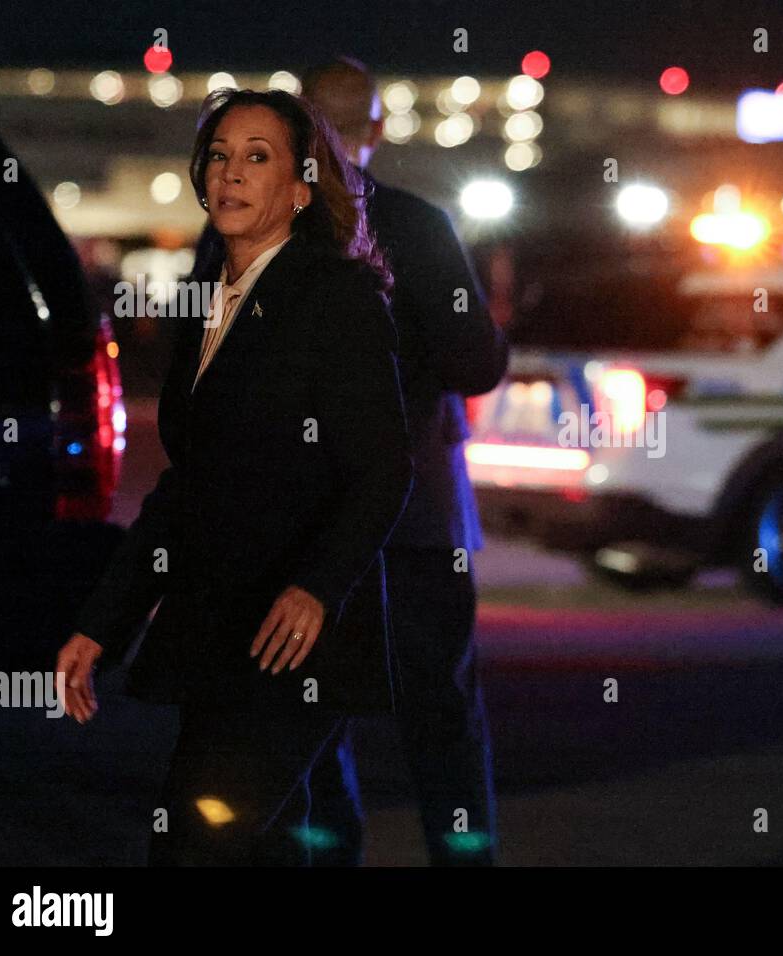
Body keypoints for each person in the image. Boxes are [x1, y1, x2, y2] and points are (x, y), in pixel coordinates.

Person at [55, 88, 413, 866]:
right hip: (216, 630)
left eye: (258, 157)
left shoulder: (335, 295)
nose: (231, 173)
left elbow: (383, 468)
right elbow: (185, 487)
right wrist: (101, 622)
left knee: (197, 842)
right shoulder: (209, 295)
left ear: (301, 185)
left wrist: (319, 585)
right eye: (219, 155)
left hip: (293, 641)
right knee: (264, 849)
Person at [299, 57, 509, 866]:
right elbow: (474, 362)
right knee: (443, 715)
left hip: (307, 521)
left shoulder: (249, 224)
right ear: (376, 129)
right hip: (421, 518)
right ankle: (462, 857)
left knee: (311, 713)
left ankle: (327, 855)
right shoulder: (417, 224)